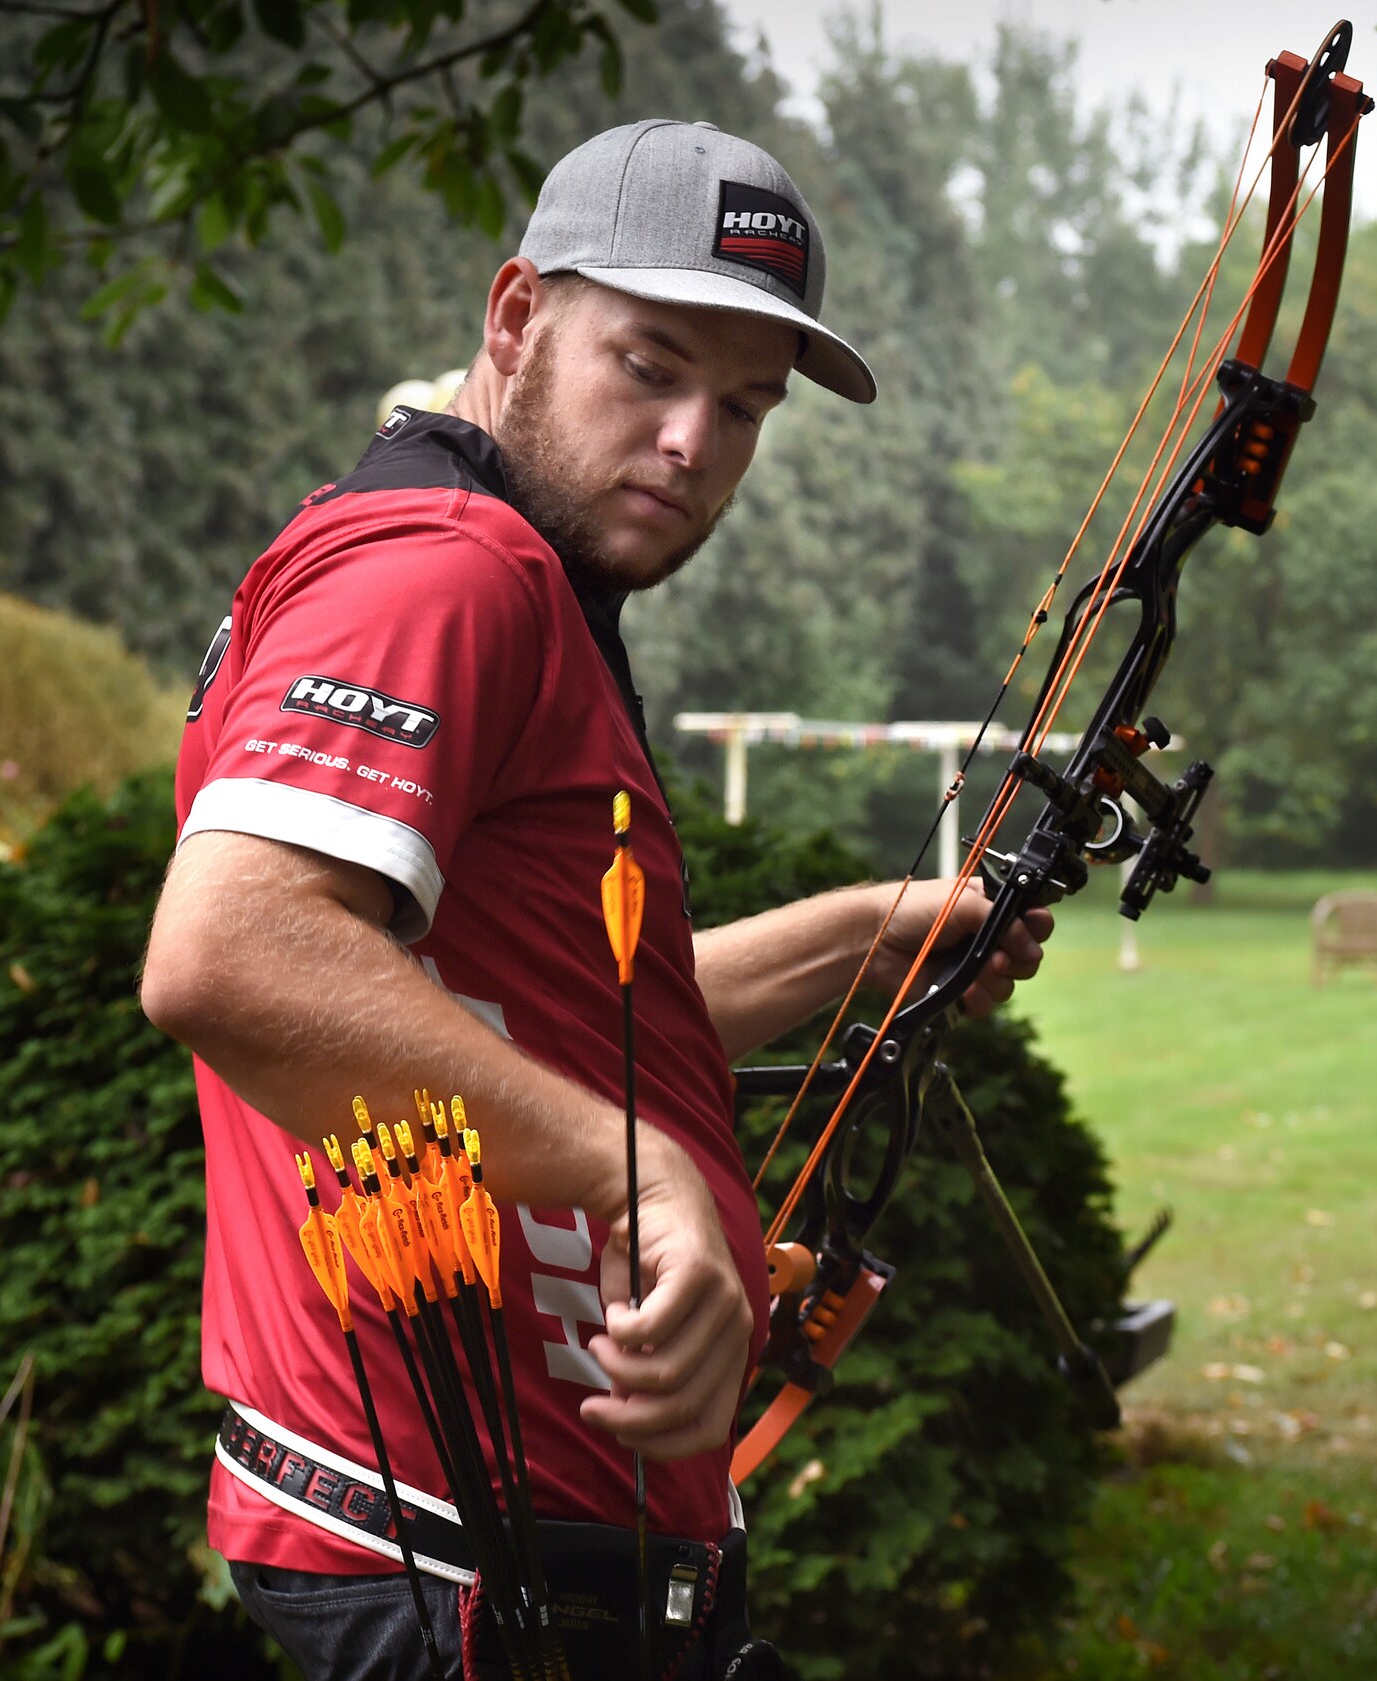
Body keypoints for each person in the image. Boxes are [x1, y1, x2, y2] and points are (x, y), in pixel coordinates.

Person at [140, 121, 1052, 1678]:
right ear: (517, 320)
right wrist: (650, 1179)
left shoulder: (501, 574)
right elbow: (230, 952)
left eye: (744, 405)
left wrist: (865, 933)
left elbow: (542, 1015)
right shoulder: (448, 570)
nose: (693, 439)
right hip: (459, 1570)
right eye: (649, 366)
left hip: (526, 1563)